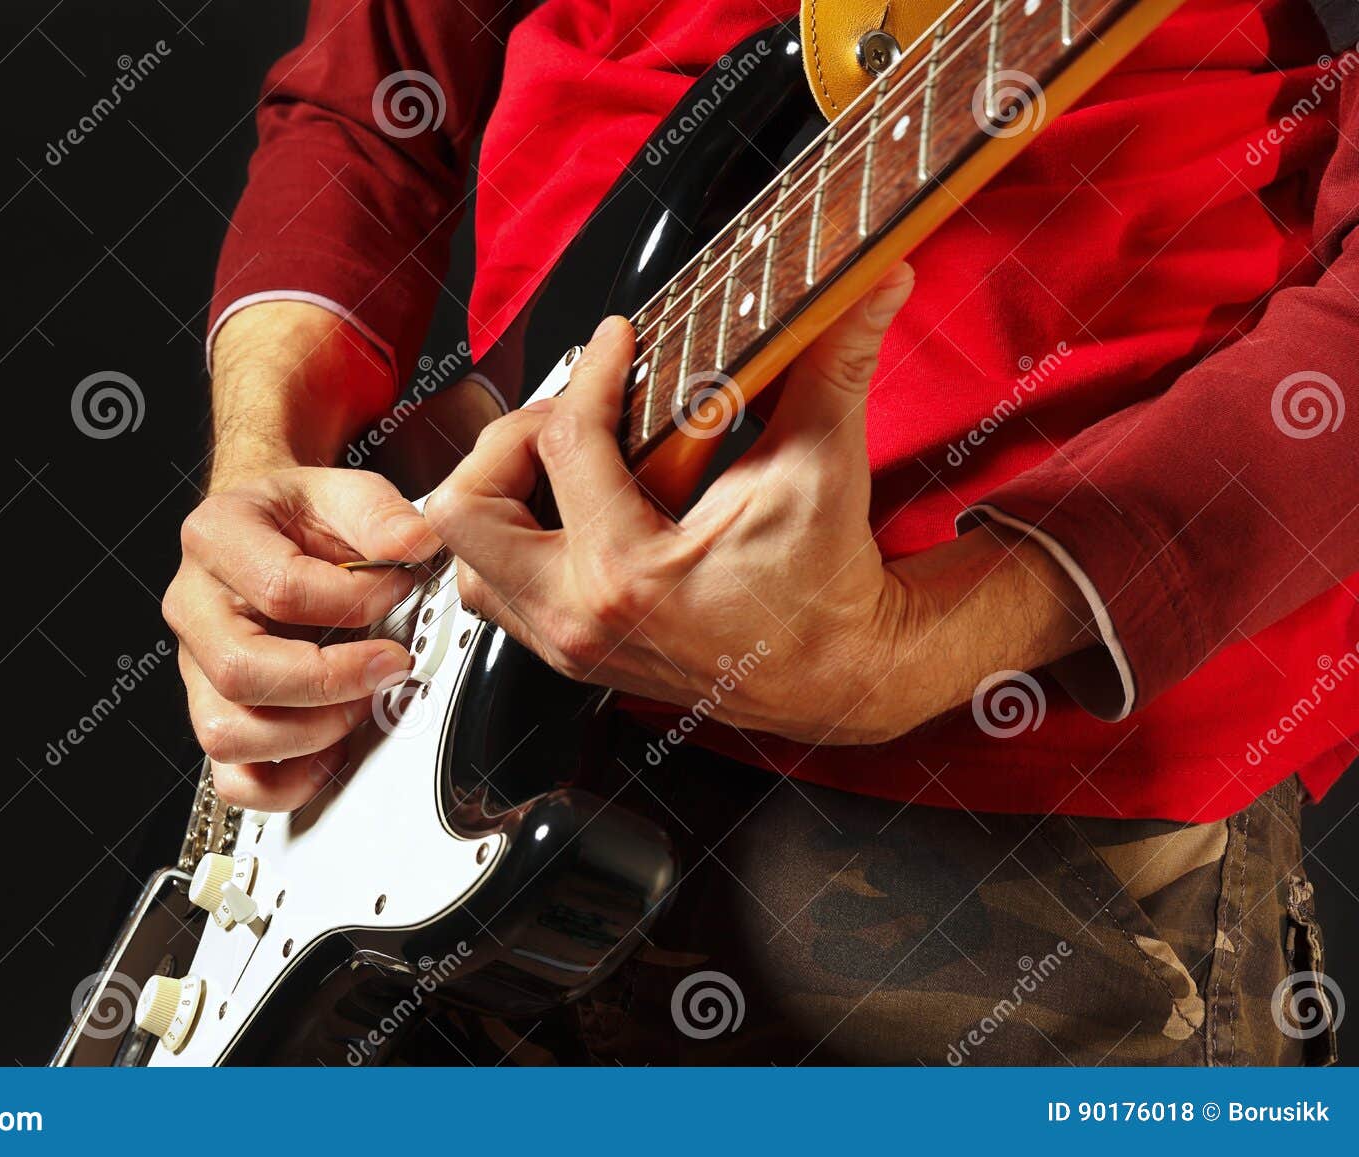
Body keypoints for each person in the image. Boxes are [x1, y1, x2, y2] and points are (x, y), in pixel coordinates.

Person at [160, 0, 1358, 1064]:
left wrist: (944, 631)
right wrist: (265, 459)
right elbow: (362, 92)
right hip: (431, 691)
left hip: (999, 829)